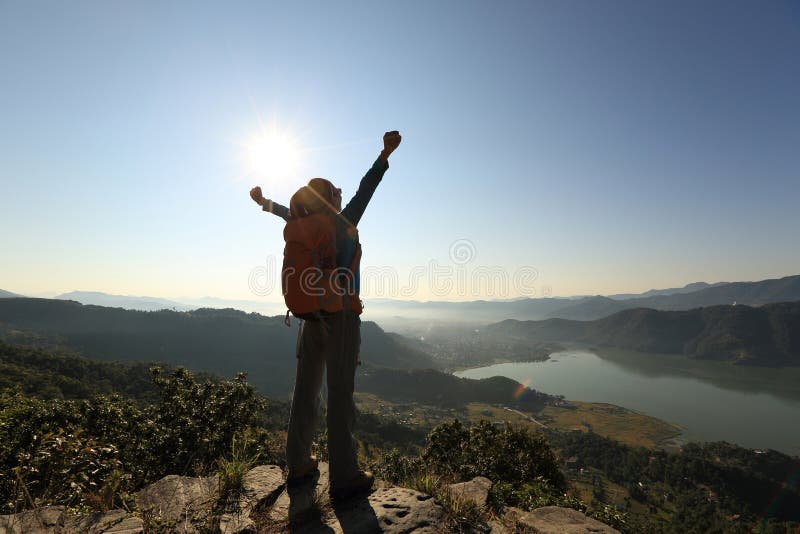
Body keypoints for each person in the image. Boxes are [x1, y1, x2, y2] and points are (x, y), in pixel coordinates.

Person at [249, 131, 402, 501]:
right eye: (336, 190)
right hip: (341, 317)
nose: (341, 194)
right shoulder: (343, 220)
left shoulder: (302, 224)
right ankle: (345, 476)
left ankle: (299, 463)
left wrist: (262, 202)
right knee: (340, 394)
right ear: (330, 198)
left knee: (305, 391)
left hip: (308, 317)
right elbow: (367, 188)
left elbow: (281, 212)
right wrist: (383, 155)